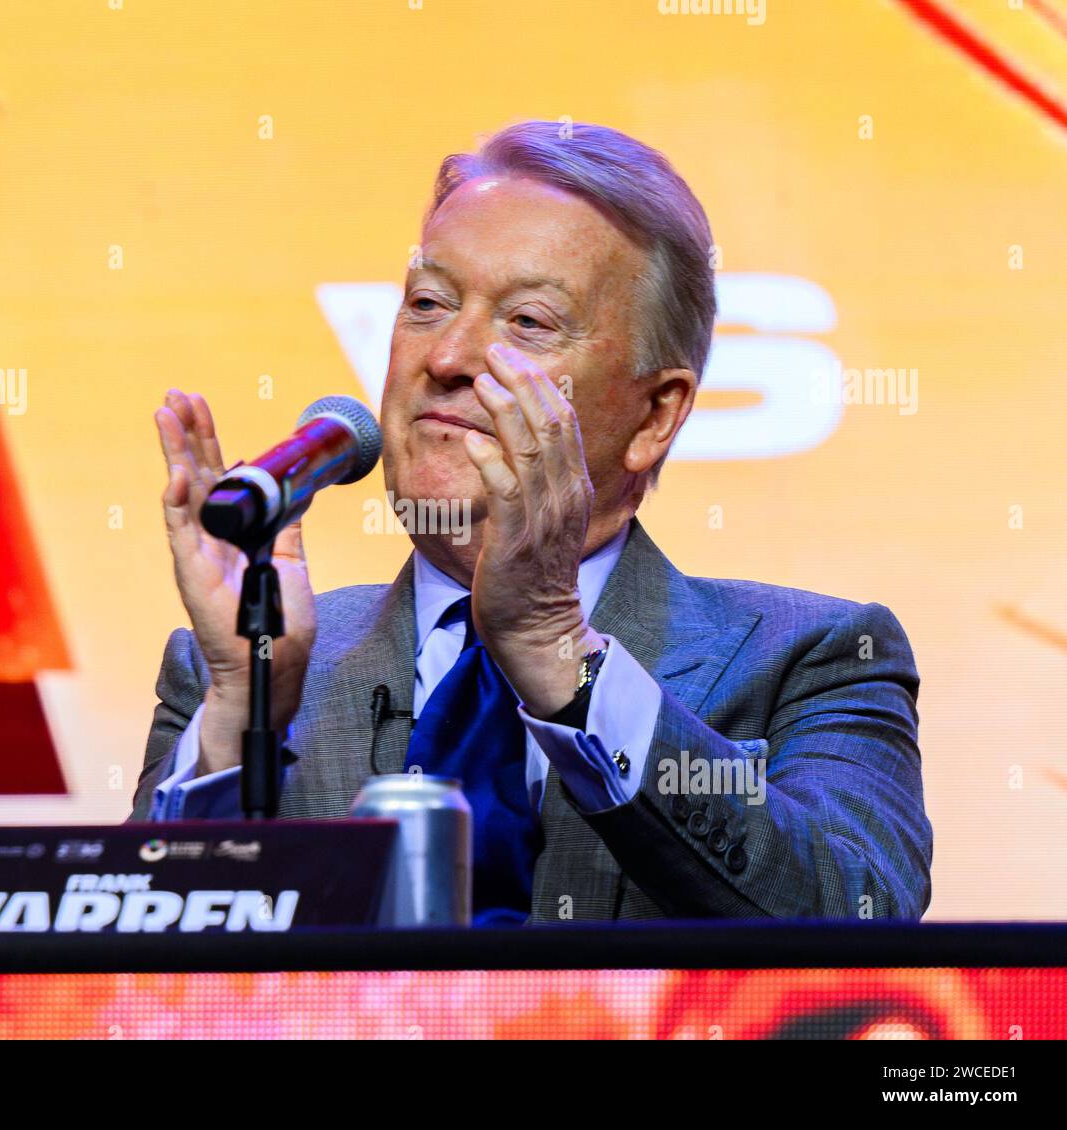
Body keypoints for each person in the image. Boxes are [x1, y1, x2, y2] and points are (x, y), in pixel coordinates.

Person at [131, 120, 932, 924]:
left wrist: (557, 650)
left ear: (656, 414)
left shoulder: (813, 660)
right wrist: (244, 716)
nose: (446, 357)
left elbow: (858, 919)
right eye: (428, 303)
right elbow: (116, 996)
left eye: (528, 323)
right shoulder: (237, 670)